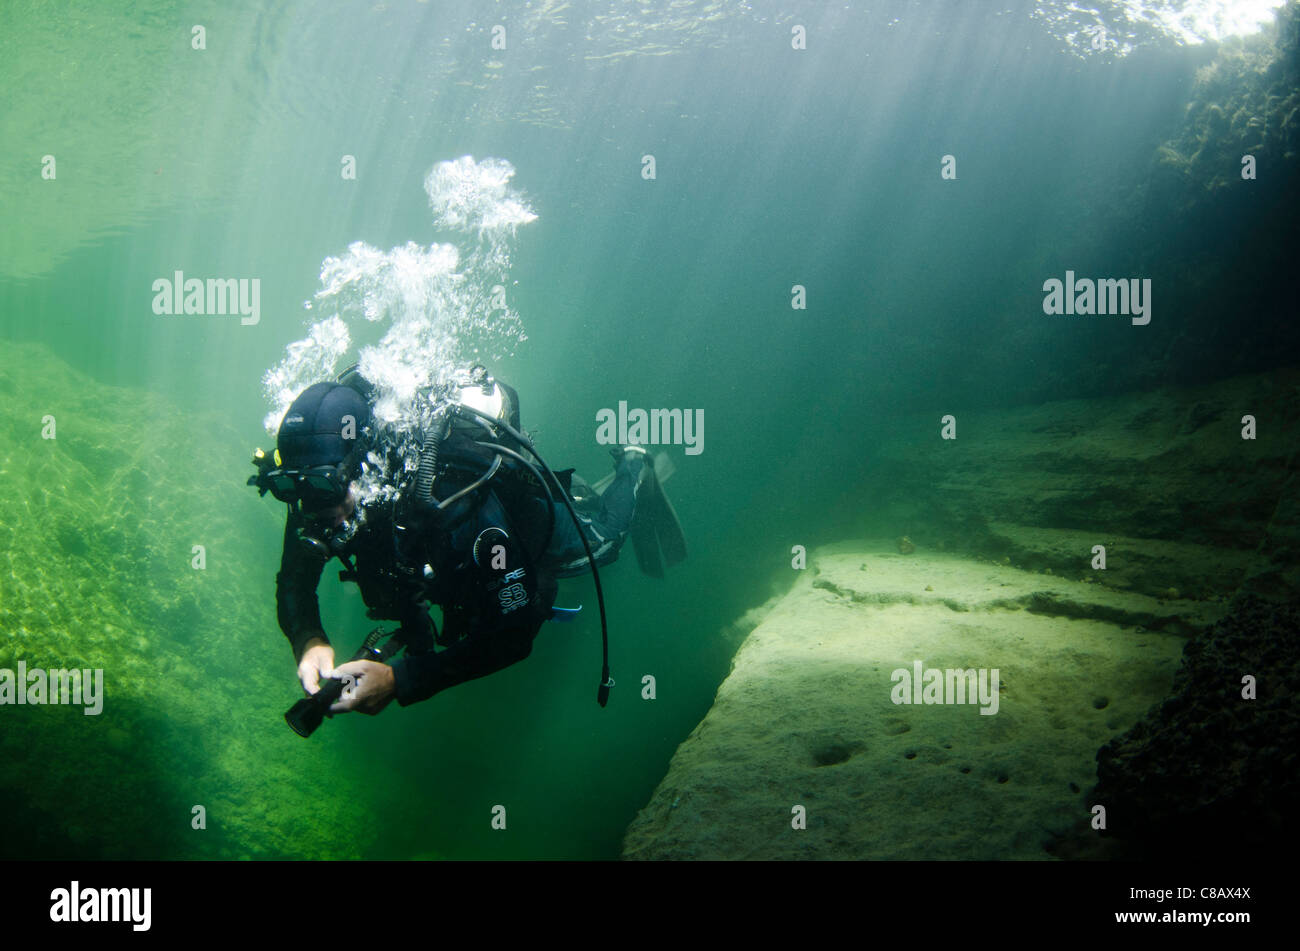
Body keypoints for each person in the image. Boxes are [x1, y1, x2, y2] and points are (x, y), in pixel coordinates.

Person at [249, 365, 685, 723]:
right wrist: (309, 640)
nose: (312, 512)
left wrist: (401, 680)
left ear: (365, 465)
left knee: (602, 545)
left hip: (518, 527)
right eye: (291, 491)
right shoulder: (316, 489)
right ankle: (577, 495)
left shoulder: (456, 502)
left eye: (325, 490)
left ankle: (634, 463)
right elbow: (294, 580)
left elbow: (514, 634)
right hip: (442, 553)